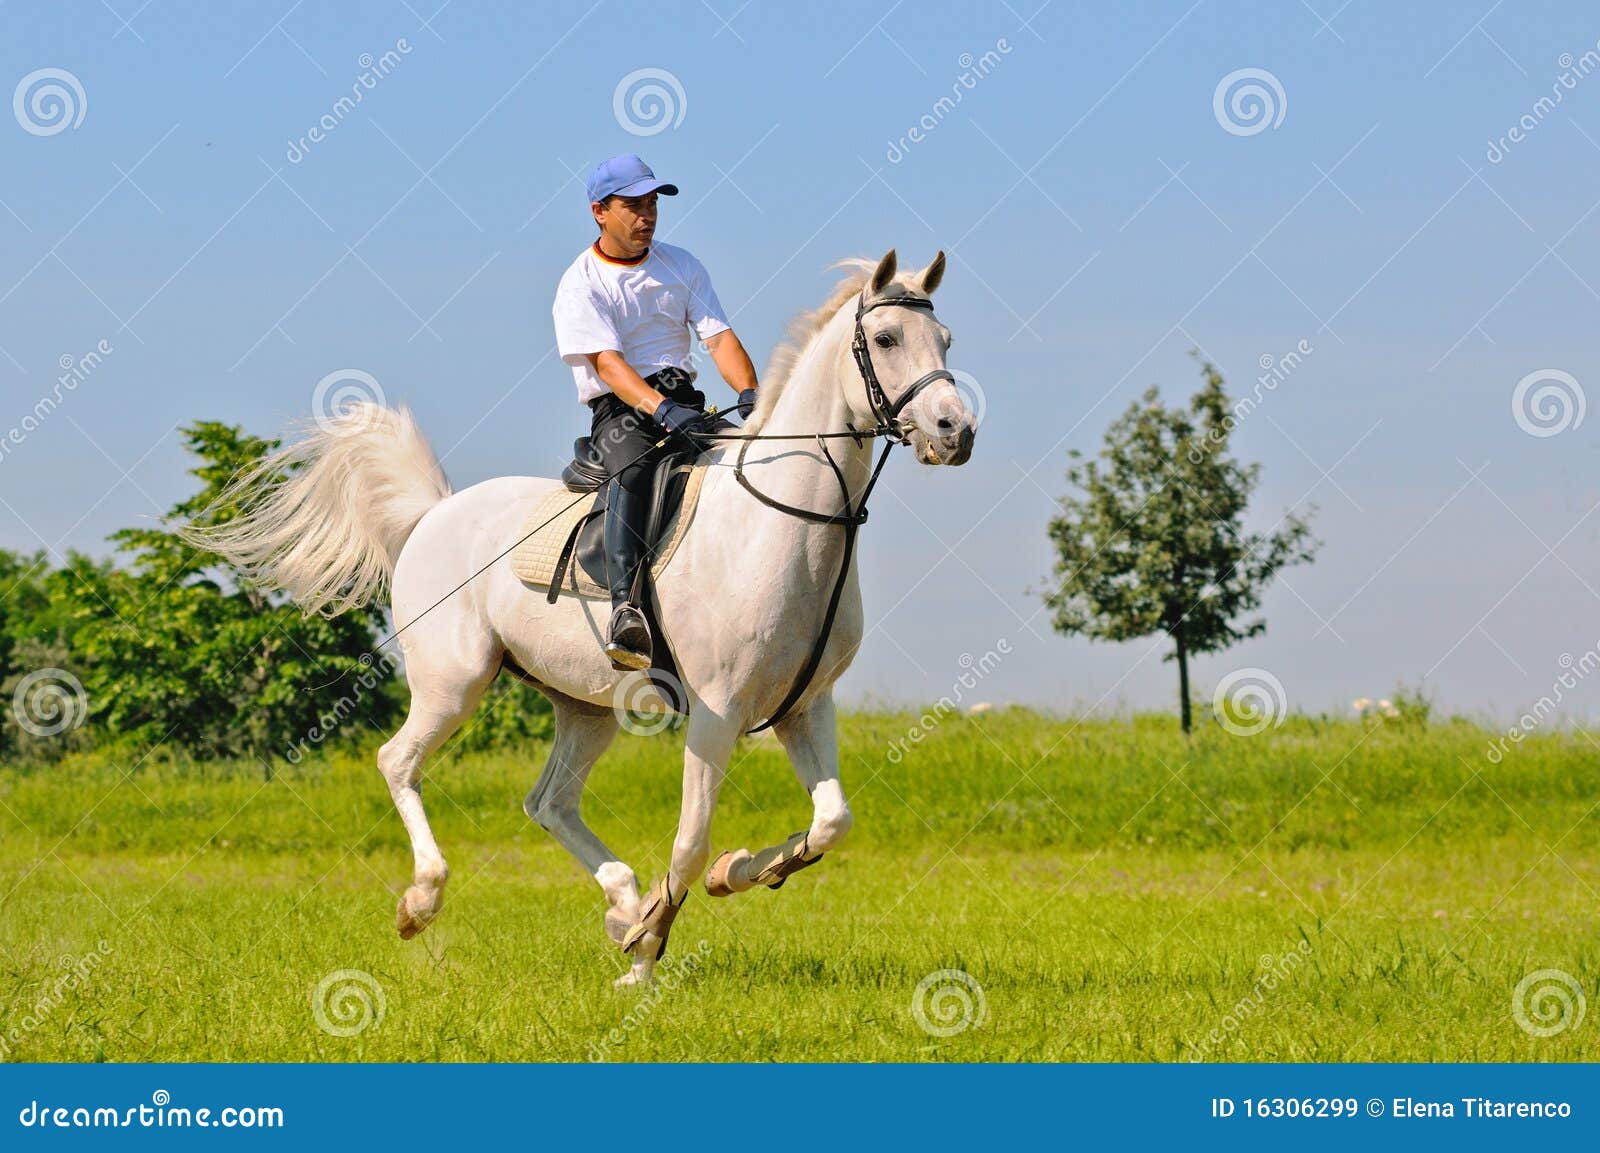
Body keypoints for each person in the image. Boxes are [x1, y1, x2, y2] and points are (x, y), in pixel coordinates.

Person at [552, 154, 759, 671]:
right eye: (633, 205)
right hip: (621, 410)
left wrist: (753, 395)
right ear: (600, 211)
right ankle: (626, 608)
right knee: (634, 467)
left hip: (682, 401)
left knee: (750, 465)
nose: (647, 215)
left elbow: (720, 338)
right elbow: (608, 364)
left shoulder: (683, 265)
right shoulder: (580, 281)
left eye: (652, 204)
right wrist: (659, 409)